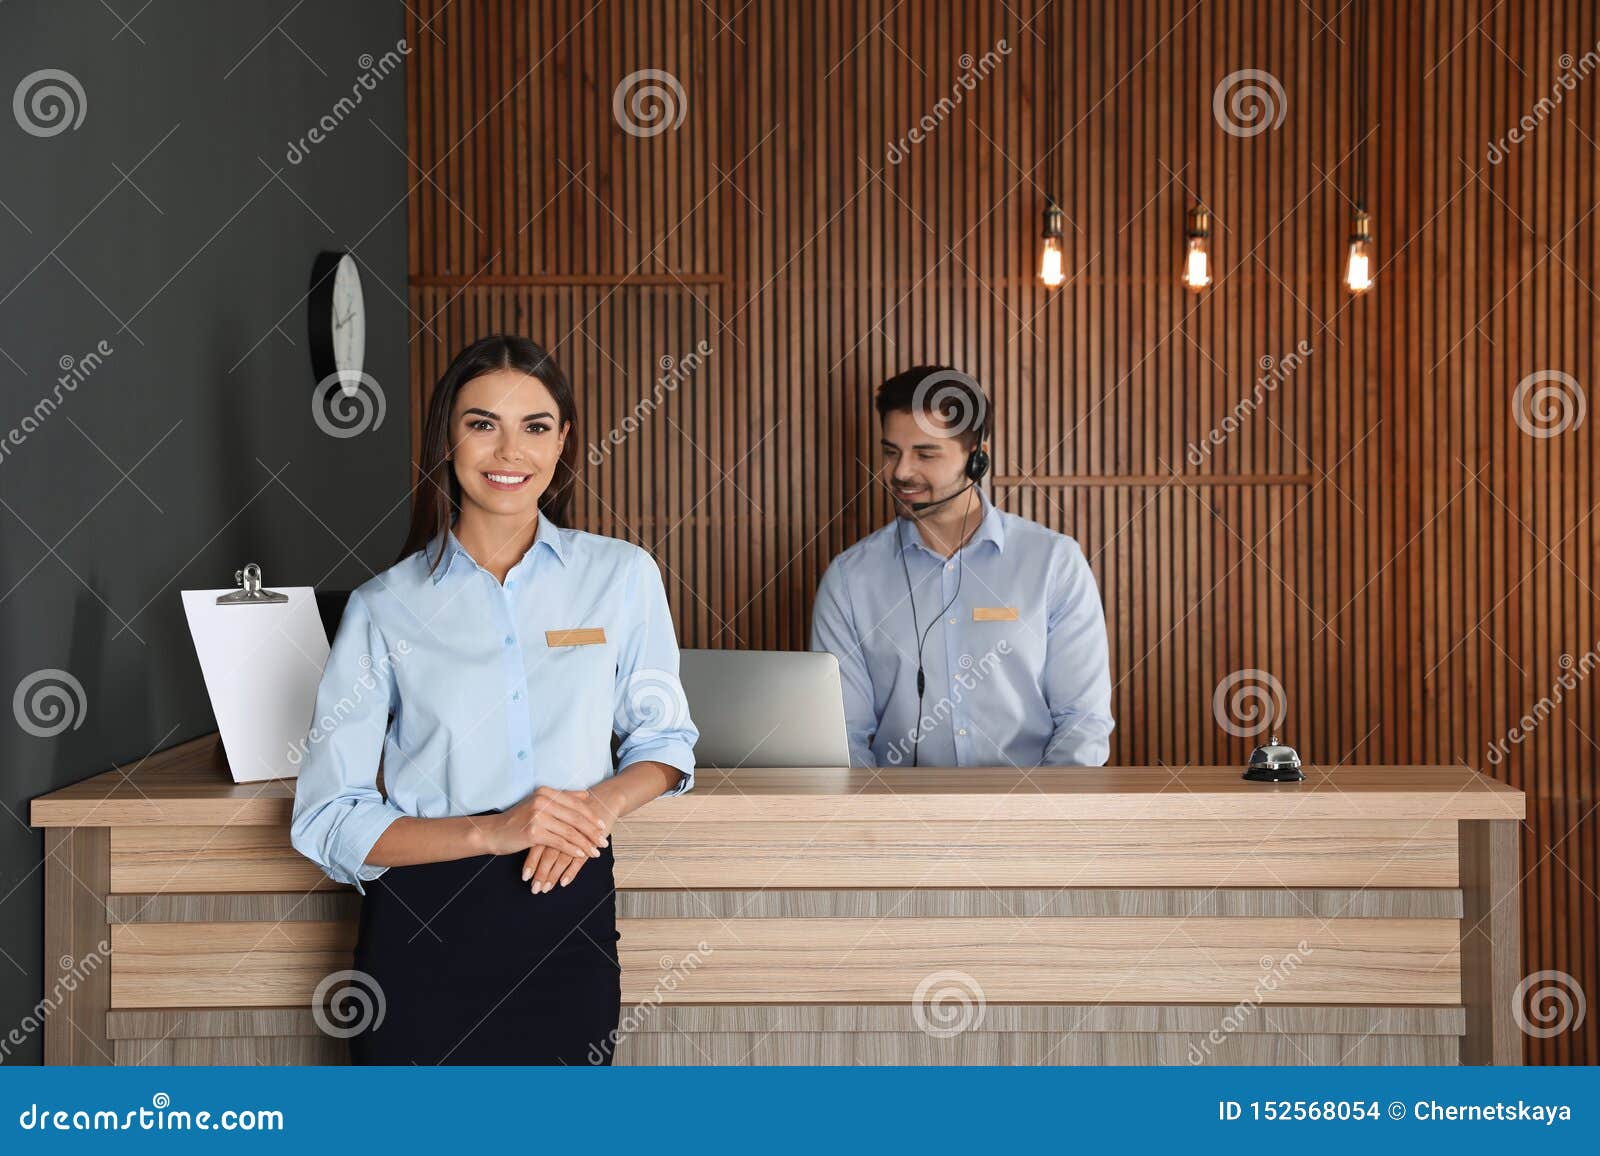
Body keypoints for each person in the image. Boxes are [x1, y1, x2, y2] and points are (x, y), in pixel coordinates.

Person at [290, 334, 698, 1065]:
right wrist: (492, 832)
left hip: (566, 905)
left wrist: (593, 809)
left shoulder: (622, 576)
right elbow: (327, 817)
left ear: (562, 440)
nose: (511, 452)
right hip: (420, 928)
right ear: (447, 437)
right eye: (483, 424)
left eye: (534, 427)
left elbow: (665, 744)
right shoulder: (383, 606)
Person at [809, 366, 1113, 768]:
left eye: (925, 454)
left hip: (1032, 807)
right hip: (894, 808)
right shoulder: (849, 579)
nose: (900, 472)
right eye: (891, 452)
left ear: (976, 457)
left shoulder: (1054, 563)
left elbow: (1082, 723)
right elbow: (843, 737)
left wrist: (1040, 808)